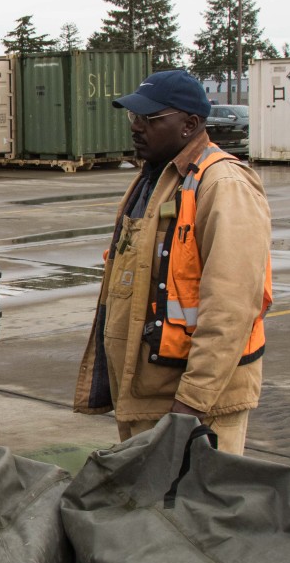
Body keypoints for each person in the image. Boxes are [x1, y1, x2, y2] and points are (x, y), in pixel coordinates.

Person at [73, 70, 272, 456]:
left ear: (190, 125)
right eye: (133, 117)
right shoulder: (155, 179)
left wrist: (192, 404)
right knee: (150, 513)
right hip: (148, 395)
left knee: (197, 511)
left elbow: (231, 307)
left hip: (194, 406)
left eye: (150, 119)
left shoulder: (223, 184)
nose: (136, 127)